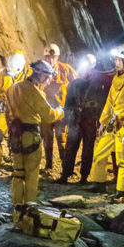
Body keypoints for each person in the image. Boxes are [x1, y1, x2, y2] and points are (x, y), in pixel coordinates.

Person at [4, 60, 63, 218]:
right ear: (41, 75)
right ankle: (30, 211)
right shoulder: (33, 90)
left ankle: (17, 210)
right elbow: (49, 116)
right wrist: (60, 111)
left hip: (15, 136)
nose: (48, 81)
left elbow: (6, 113)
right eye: (48, 78)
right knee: (31, 175)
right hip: (30, 136)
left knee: (18, 173)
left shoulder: (13, 87)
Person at [87, 44, 124, 200]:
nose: (116, 62)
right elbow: (109, 102)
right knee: (99, 154)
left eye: (119, 60)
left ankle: (121, 191)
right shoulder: (116, 78)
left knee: (123, 160)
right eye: (116, 59)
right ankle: (99, 182)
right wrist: (103, 122)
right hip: (113, 125)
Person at [59, 53, 112, 184]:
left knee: (87, 149)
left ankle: (84, 177)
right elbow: (68, 103)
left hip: (90, 121)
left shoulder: (99, 85)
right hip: (76, 120)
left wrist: (99, 118)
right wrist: (68, 117)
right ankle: (65, 174)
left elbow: (104, 103)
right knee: (70, 147)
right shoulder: (75, 83)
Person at [0, 51, 27, 182]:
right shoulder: (3, 74)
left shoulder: (29, 75)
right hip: (5, 111)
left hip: (21, 113)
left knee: (18, 141)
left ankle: (19, 170)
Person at [42, 43, 76, 172]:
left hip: (61, 111)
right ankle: (49, 164)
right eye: (48, 57)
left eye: (53, 57)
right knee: (47, 138)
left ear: (57, 57)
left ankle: (65, 165)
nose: (50, 60)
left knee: (62, 138)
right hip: (46, 111)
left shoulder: (65, 69)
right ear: (45, 57)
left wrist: (73, 104)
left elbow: (76, 84)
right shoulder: (40, 70)